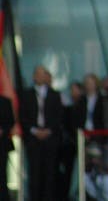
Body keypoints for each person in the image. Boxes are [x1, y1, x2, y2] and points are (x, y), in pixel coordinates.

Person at [21, 65, 64, 201]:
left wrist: (48, 130)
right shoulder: (26, 95)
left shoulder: (55, 95)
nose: (40, 77)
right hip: (33, 140)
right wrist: (34, 131)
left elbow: (59, 117)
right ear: (34, 77)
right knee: (34, 173)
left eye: (42, 74)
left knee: (50, 173)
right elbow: (23, 117)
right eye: (37, 74)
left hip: (50, 139)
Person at [0, 95, 13, 201]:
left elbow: (11, 121)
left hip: (2, 144)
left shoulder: (5, 101)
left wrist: (2, 130)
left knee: (2, 175)